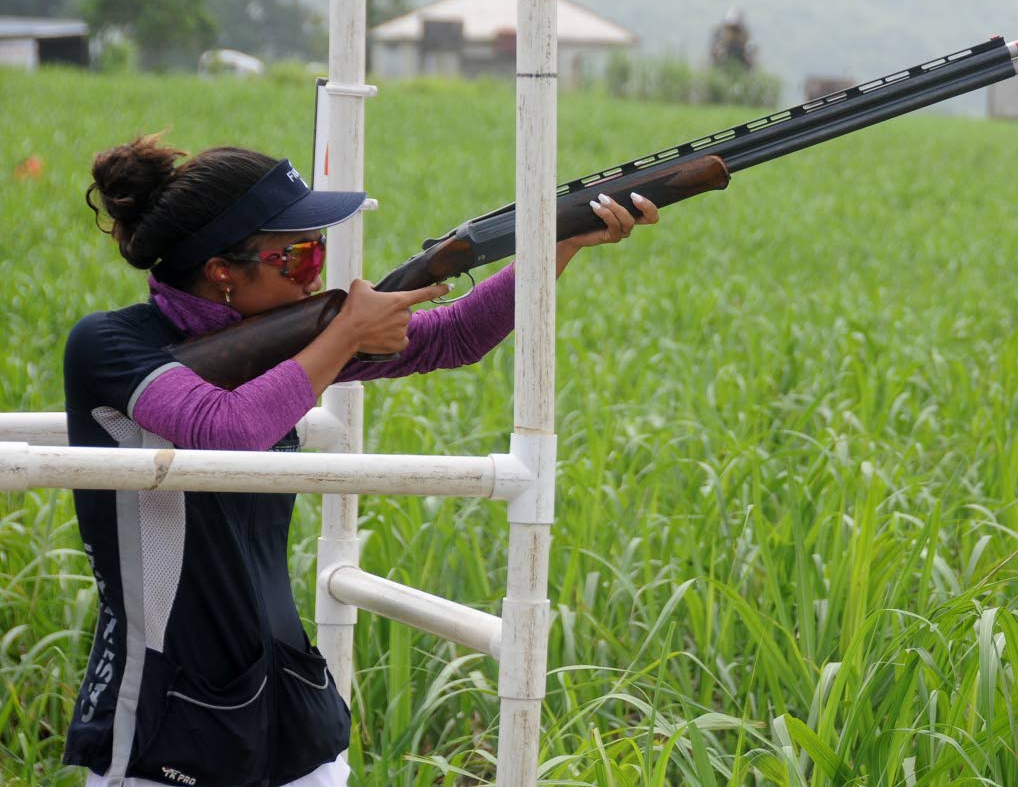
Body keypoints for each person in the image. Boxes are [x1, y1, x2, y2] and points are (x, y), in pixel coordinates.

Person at [62, 134, 658, 787]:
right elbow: (224, 430)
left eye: (317, 248)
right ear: (220, 269)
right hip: (162, 717)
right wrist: (346, 333)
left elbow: (457, 335)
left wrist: (558, 243)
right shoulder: (112, 344)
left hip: (287, 707)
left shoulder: (296, 341)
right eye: (297, 254)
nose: (317, 270)